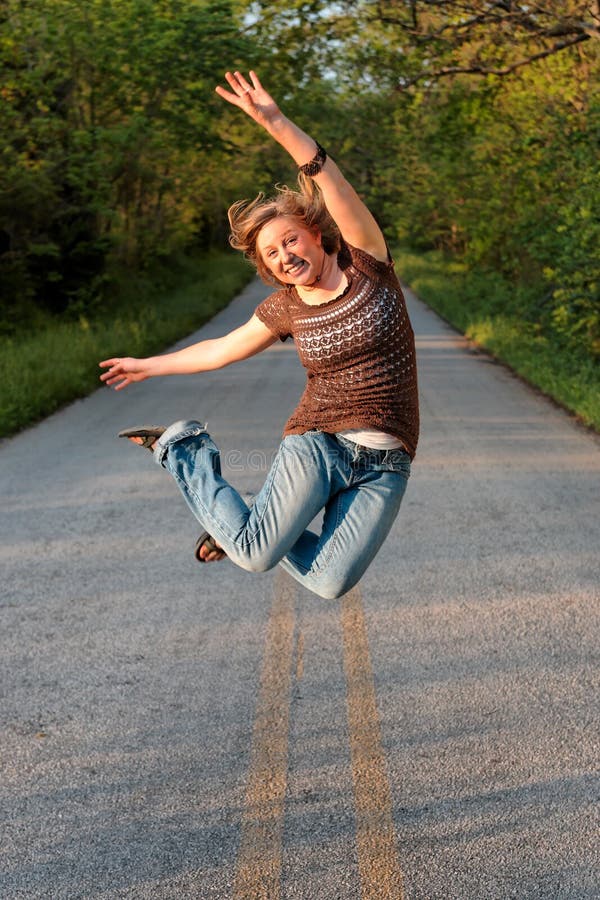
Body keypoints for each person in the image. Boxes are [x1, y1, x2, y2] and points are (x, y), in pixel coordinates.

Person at [99, 70, 419, 600]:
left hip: (388, 461)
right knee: (253, 555)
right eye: (272, 253)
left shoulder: (369, 266)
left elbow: (331, 183)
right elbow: (221, 350)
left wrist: (277, 125)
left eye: (290, 240)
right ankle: (184, 449)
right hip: (319, 443)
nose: (285, 255)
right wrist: (148, 364)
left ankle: (248, 520)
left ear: (317, 235)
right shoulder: (285, 308)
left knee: (330, 582)